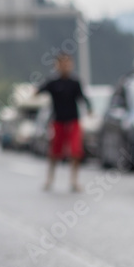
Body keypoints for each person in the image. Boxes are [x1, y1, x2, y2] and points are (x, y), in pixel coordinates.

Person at [38, 54, 93, 192]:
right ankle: (50, 178)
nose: (65, 66)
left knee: (76, 151)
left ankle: (74, 180)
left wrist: (90, 109)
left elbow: (83, 97)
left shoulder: (75, 82)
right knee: (55, 152)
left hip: (73, 121)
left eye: (67, 63)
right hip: (58, 121)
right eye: (62, 63)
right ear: (56, 66)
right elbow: (37, 91)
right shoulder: (52, 83)